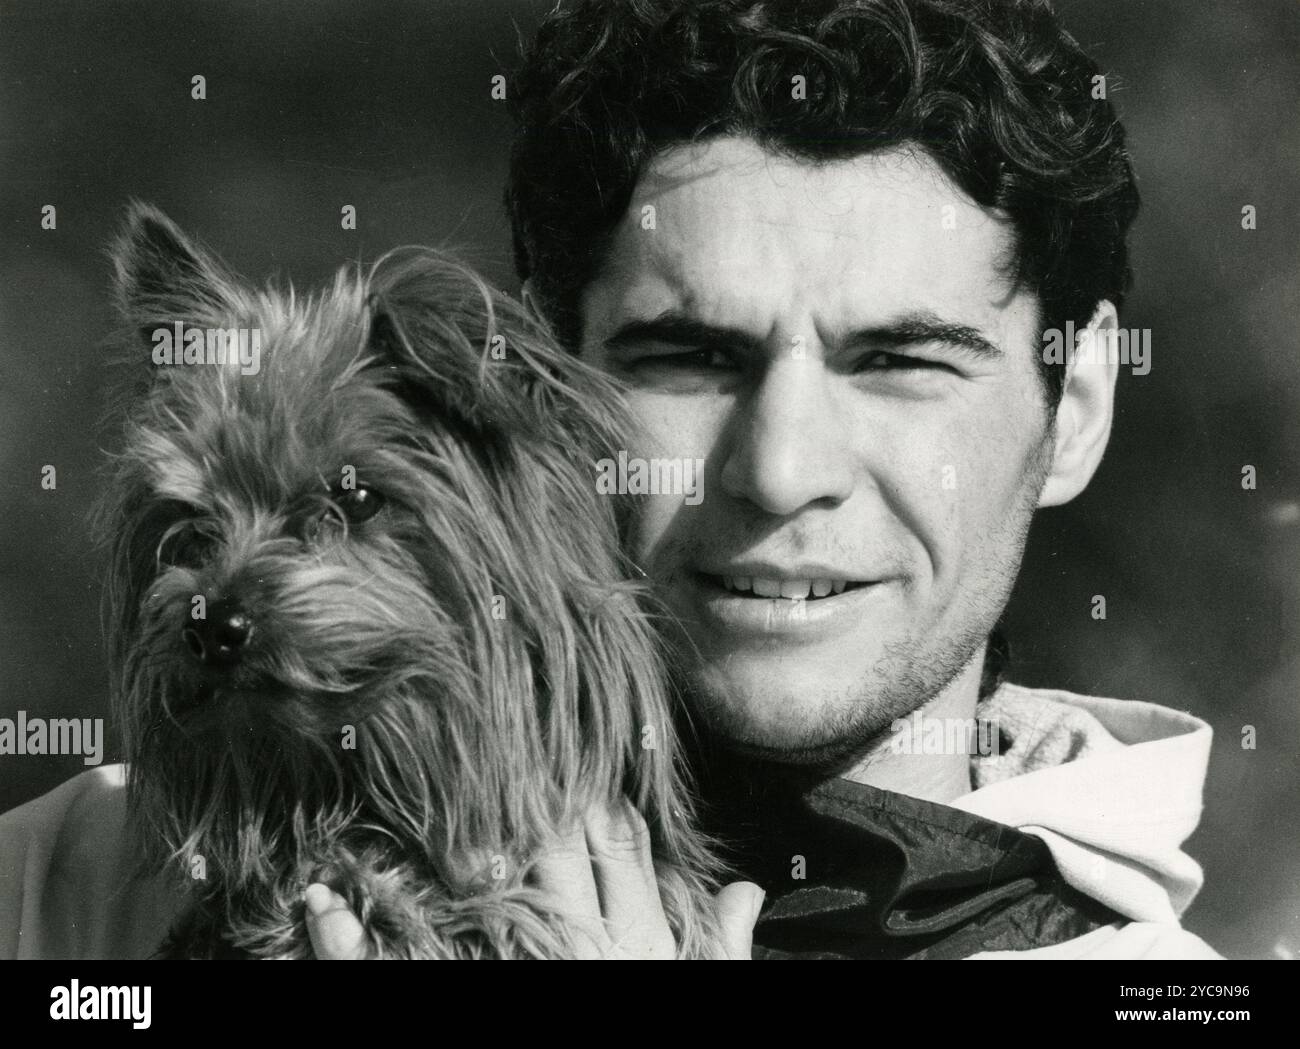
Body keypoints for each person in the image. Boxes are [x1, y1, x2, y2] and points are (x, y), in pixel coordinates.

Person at [0, 0, 1218, 959]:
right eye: (691, 357)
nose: (782, 468)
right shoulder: (73, 891)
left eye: (898, 361)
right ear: (536, 389)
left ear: (1079, 405)